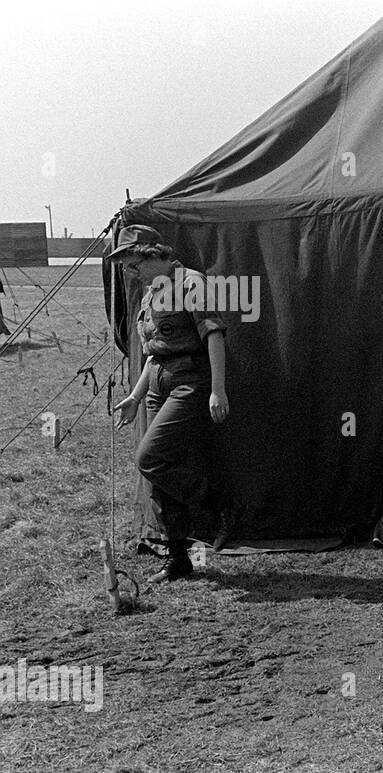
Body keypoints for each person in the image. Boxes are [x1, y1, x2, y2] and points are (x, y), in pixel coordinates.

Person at [109, 225, 240, 583]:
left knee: (148, 458)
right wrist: (136, 396)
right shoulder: (151, 292)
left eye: (133, 263)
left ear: (154, 254)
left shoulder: (190, 282)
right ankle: (178, 556)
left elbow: (213, 333)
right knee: (159, 472)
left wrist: (218, 389)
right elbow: (154, 354)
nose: (129, 272)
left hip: (189, 382)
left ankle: (218, 504)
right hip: (157, 385)